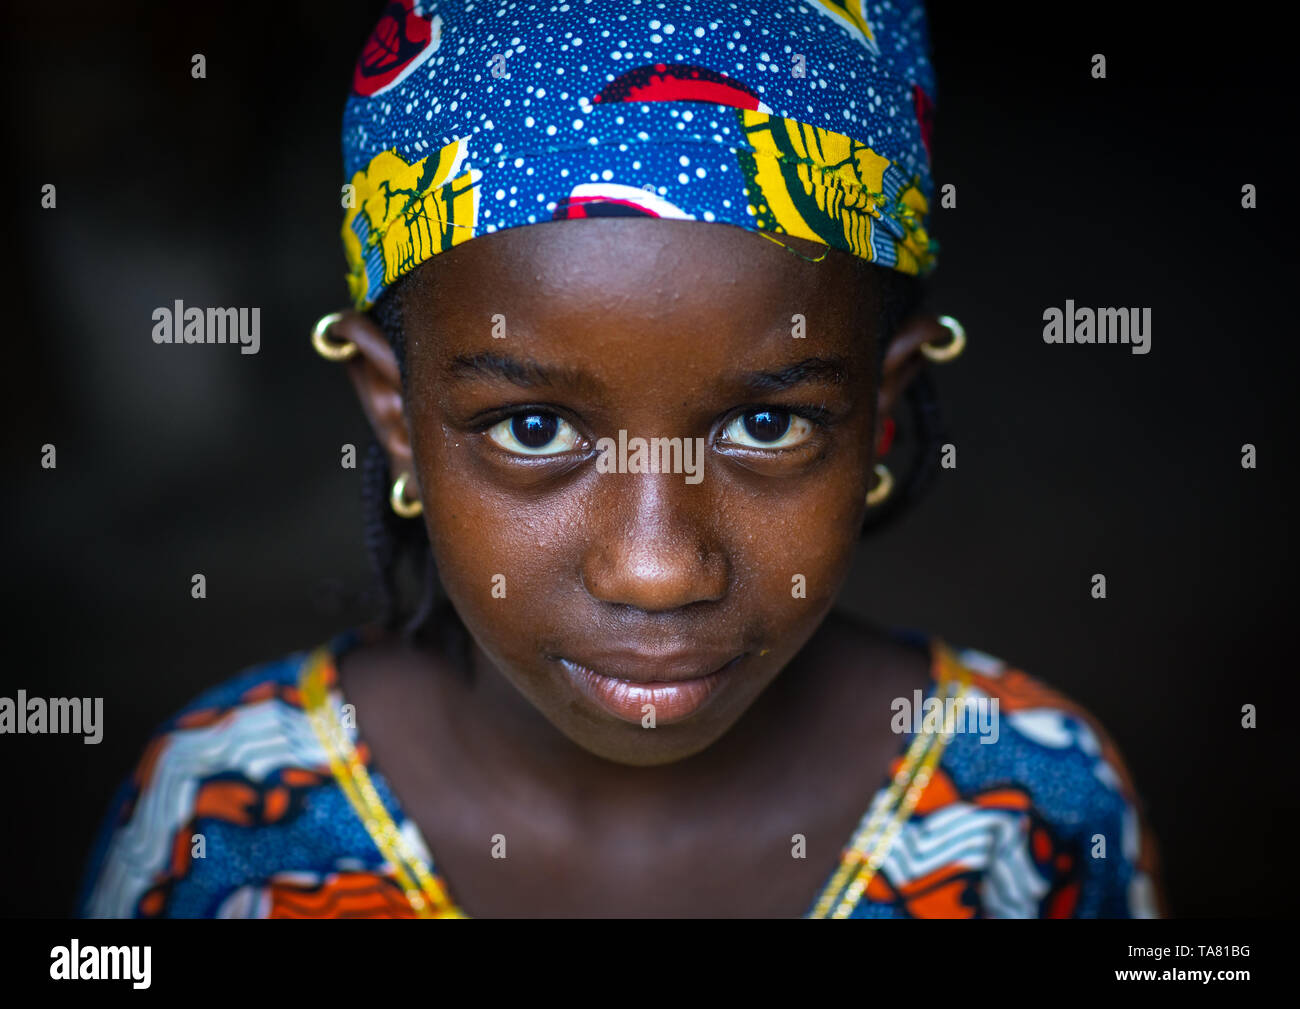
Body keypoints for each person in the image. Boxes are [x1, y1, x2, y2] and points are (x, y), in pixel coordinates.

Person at [78, 0, 1162, 918]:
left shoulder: (1030, 806)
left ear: (880, 410)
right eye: (534, 427)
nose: (657, 570)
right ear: (396, 414)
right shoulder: (218, 824)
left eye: (767, 425)